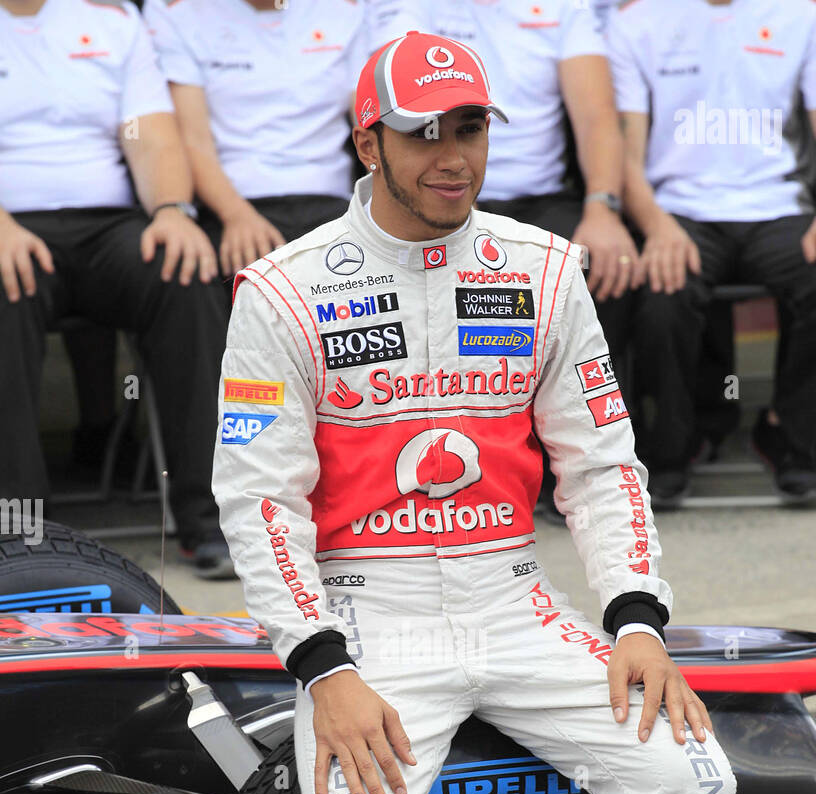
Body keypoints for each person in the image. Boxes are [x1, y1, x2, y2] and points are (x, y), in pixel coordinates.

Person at [212, 30, 737, 794]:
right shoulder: (283, 289)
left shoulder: (544, 268)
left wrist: (634, 616)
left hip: (511, 594)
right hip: (367, 617)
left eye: (471, 128)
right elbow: (256, 497)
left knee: (696, 777)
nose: (453, 155)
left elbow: (601, 465)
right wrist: (322, 663)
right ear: (368, 141)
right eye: (424, 132)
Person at [363, 1, 642, 523]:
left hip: (542, 199)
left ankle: (567, 467)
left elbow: (596, 115)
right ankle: (463, 463)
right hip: (434, 193)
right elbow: (381, 117)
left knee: (607, 266)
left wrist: (603, 207)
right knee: (430, 295)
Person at [0, 0, 231, 576]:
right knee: (3, 290)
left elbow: (152, 135)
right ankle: (22, 538)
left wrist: (174, 211)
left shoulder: (111, 20)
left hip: (108, 223)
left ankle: (208, 522)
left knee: (185, 271)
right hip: (8, 223)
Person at [608, 0, 816, 507]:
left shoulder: (803, 13)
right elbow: (625, 154)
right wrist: (656, 227)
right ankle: (671, 449)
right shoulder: (635, 19)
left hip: (778, 209)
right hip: (679, 211)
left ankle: (788, 435)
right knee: (661, 296)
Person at [143, 0, 367, 283]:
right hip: (231, 206)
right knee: (189, 270)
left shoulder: (347, 8)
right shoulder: (174, 9)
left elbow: (369, 123)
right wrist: (236, 216)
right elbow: (192, 140)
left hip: (335, 204)